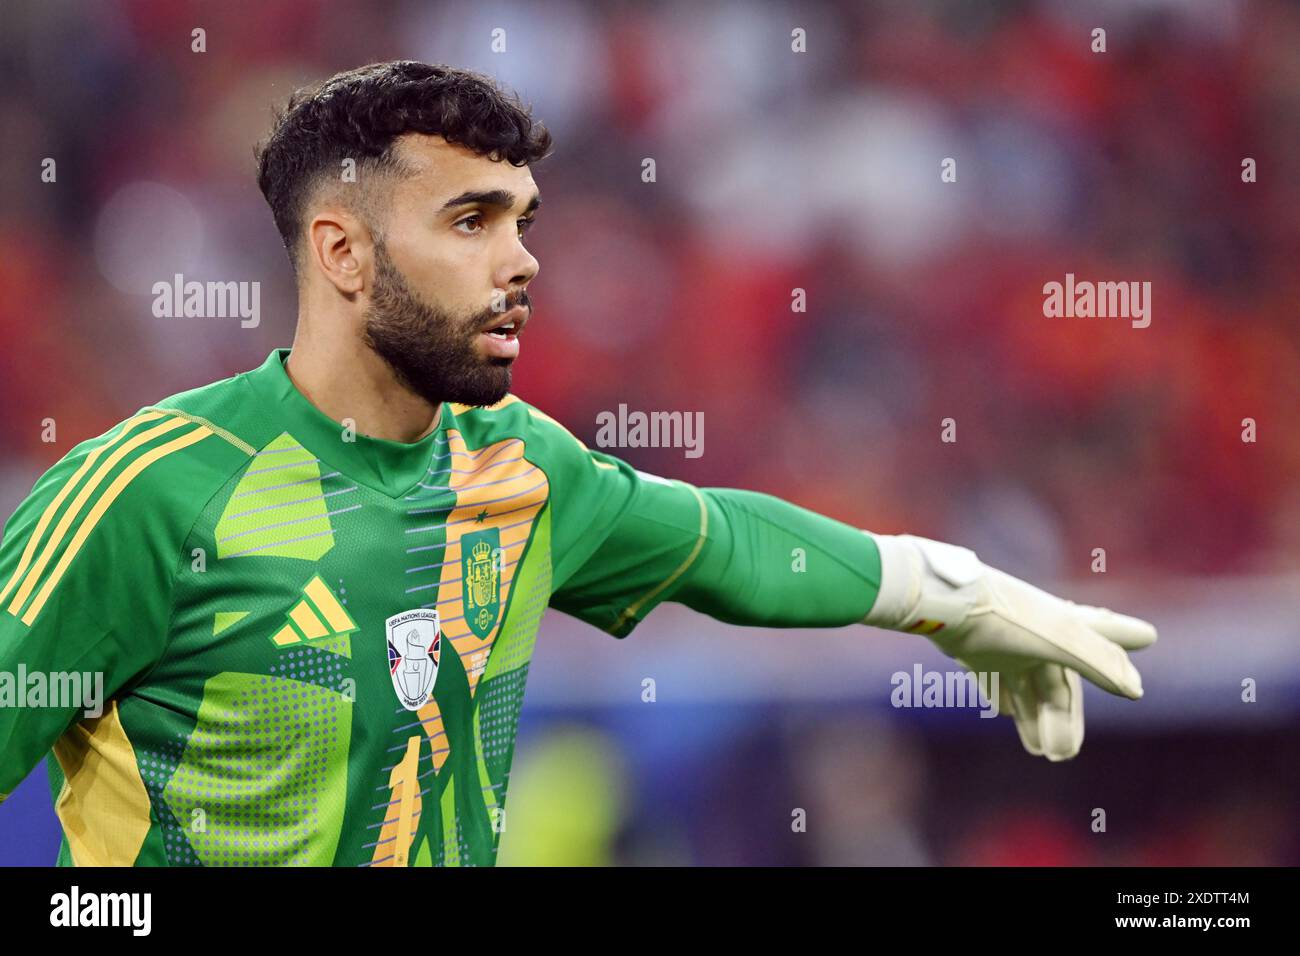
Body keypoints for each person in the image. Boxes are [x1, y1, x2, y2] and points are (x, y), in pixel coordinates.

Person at [0, 61, 1155, 867]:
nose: (521, 263)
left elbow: (723, 544)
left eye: (524, 220)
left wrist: (948, 593)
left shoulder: (519, 467)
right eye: (470, 222)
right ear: (342, 253)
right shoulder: (144, 493)